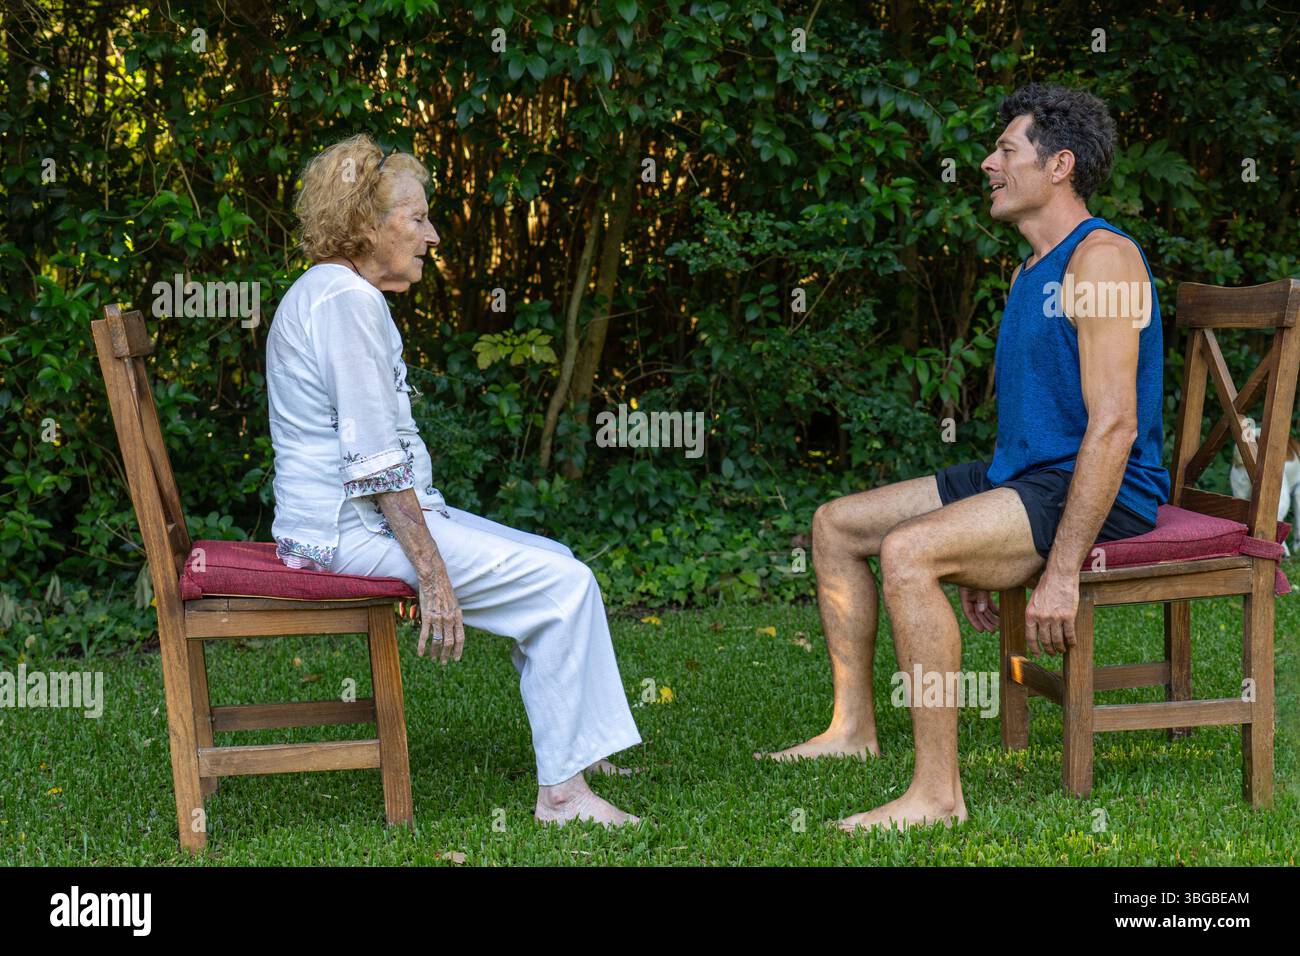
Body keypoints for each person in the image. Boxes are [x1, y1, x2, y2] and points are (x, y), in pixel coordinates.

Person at [755, 84, 1171, 831]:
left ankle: (938, 795)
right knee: (836, 525)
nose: (987, 163)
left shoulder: (1103, 262)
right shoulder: (1028, 271)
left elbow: (1113, 429)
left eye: (1006, 150)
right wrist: (982, 537)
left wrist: (1061, 569)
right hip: (1026, 474)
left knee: (910, 553)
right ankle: (852, 731)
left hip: (1096, 485)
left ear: (1060, 166)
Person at [266, 133, 642, 827]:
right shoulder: (345, 304)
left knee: (557, 562)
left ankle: (579, 750)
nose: (433, 236)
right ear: (364, 225)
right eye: (417, 219)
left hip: (350, 524)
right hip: (346, 535)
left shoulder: (335, 293)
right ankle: (562, 797)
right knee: (565, 587)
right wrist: (433, 577)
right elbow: (375, 466)